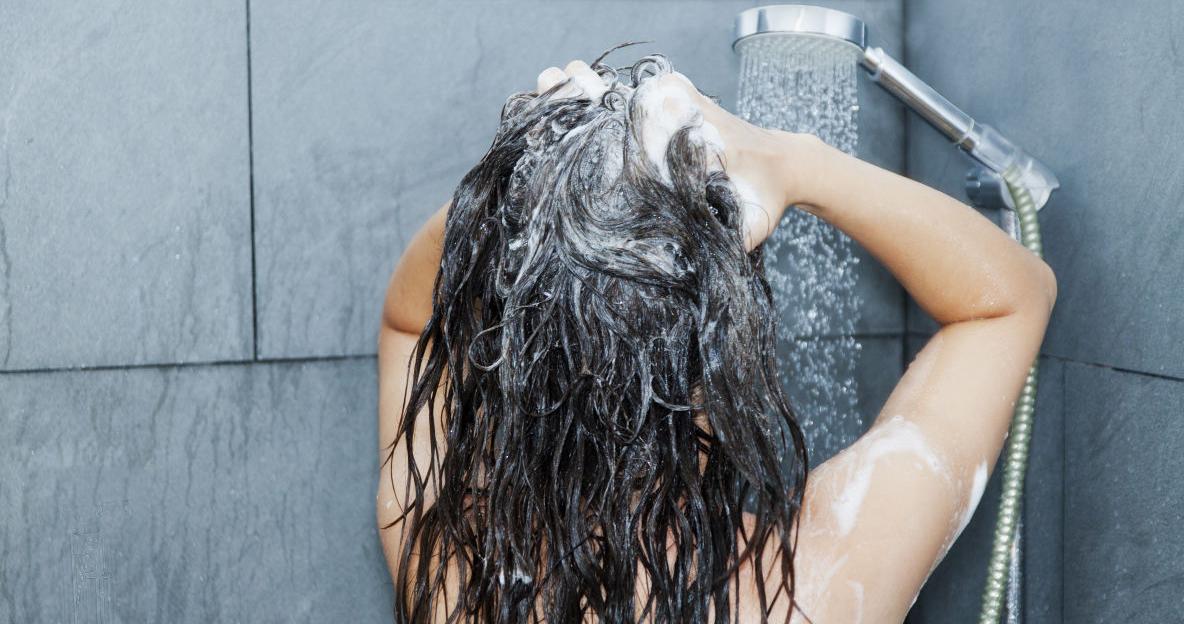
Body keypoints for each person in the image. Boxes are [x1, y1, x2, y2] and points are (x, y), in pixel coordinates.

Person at [374, 49, 1056, 623]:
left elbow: (409, 322)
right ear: (725, 354)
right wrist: (796, 164)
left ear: (523, 362)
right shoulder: (817, 585)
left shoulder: (457, 576)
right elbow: (1007, 301)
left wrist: (528, 177)